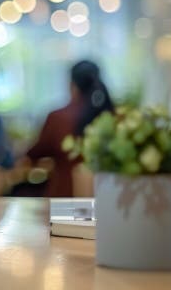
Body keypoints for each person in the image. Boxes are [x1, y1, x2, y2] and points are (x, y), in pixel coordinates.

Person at [26, 60, 114, 197]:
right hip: (106, 198)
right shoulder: (113, 118)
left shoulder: (58, 118)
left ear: (72, 85)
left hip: (64, 200)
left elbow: (35, 153)